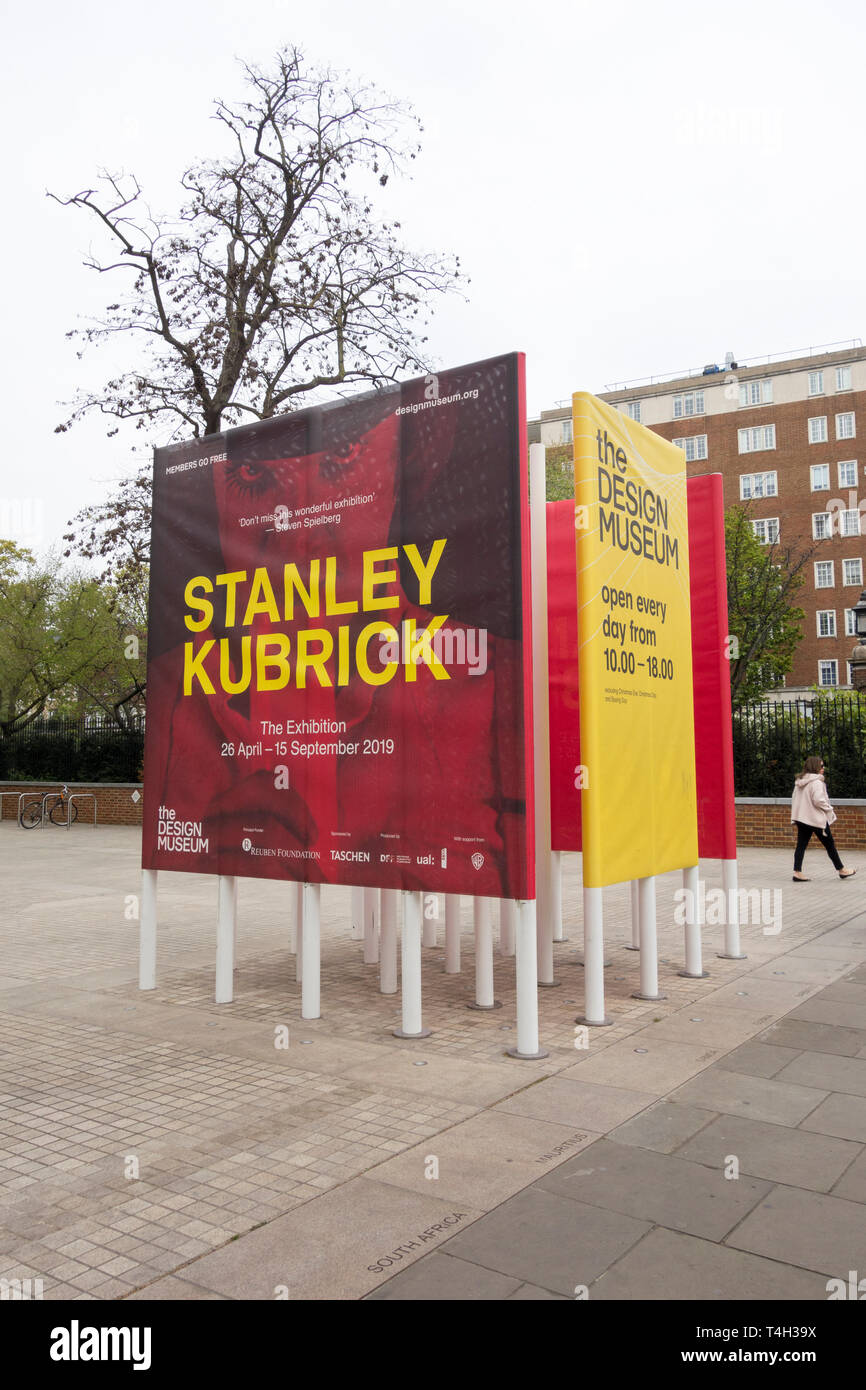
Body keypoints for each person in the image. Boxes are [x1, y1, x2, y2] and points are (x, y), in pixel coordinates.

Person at [791, 756, 856, 881]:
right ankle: (841, 870)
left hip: (802, 818)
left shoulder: (800, 782)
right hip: (815, 819)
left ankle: (797, 872)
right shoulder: (816, 782)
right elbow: (818, 800)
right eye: (821, 766)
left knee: (801, 845)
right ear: (815, 767)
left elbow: (795, 800)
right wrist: (829, 809)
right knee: (830, 844)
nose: (823, 768)